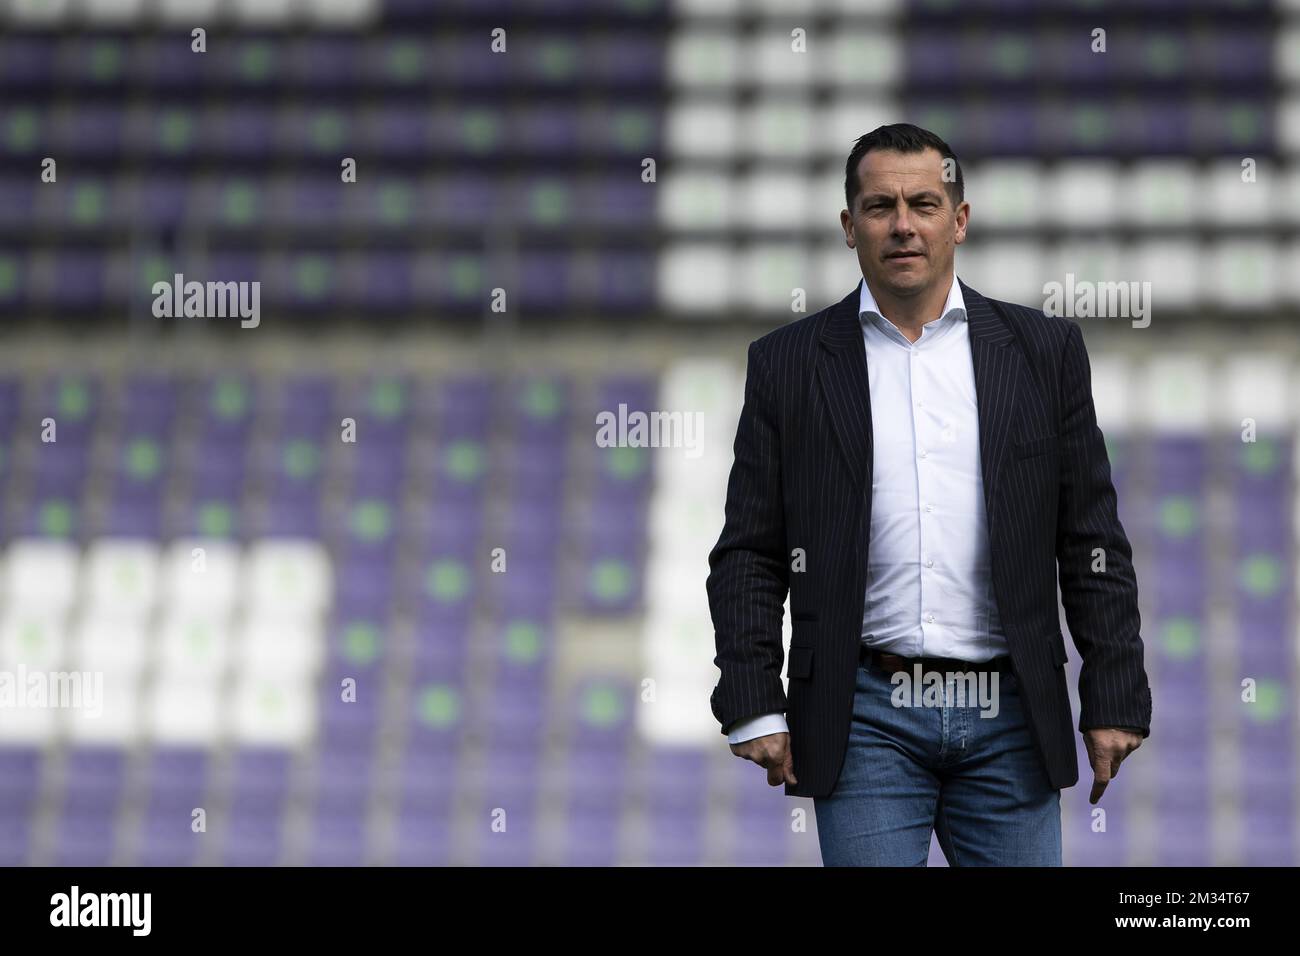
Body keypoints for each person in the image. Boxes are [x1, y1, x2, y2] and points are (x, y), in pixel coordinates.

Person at [706, 123, 1152, 866]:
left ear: (960, 220)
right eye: (880, 206)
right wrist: (752, 697)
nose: (904, 224)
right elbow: (751, 551)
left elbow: (1092, 540)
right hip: (864, 714)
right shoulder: (787, 365)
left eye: (924, 202)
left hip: (1011, 711)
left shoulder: (1044, 352)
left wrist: (1114, 694)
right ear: (849, 228)